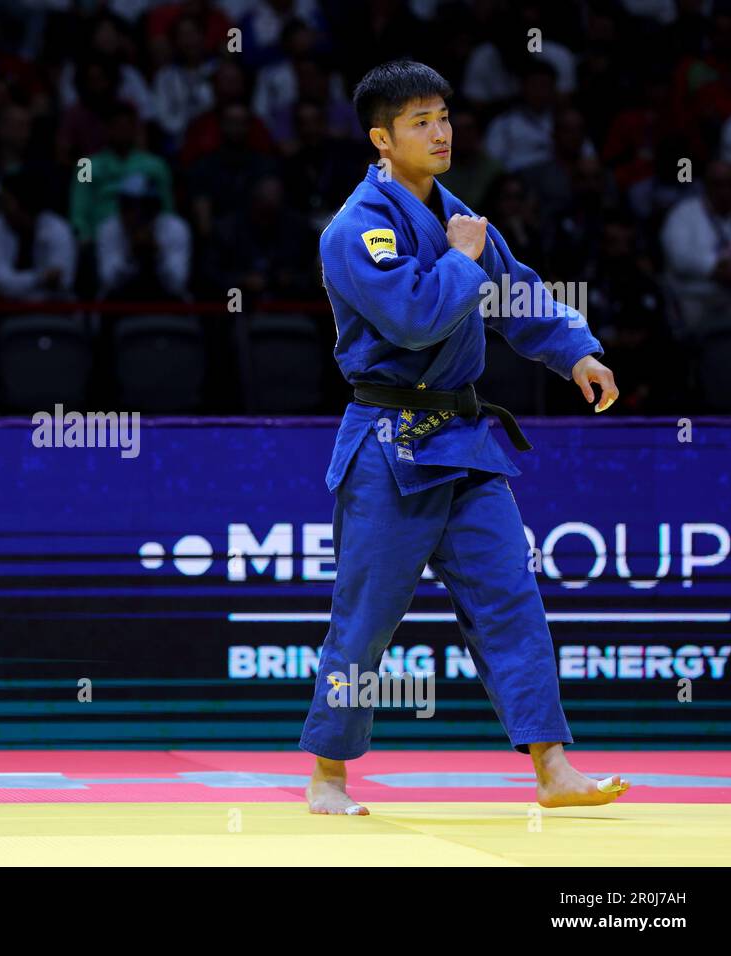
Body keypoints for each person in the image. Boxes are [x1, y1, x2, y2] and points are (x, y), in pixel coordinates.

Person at [301, 60, 629, 815]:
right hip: (390, 440)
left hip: (464, 439)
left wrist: (575, 349)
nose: (441, 130)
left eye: (443, 115)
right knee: (368, 616)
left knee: (512, 602)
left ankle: (552, 768)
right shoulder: (357, 229)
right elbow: (415, 318)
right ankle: (327, 774)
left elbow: (517, 294)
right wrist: (460, 256)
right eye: (419, 121)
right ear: (382, 139)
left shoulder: (460, 217)